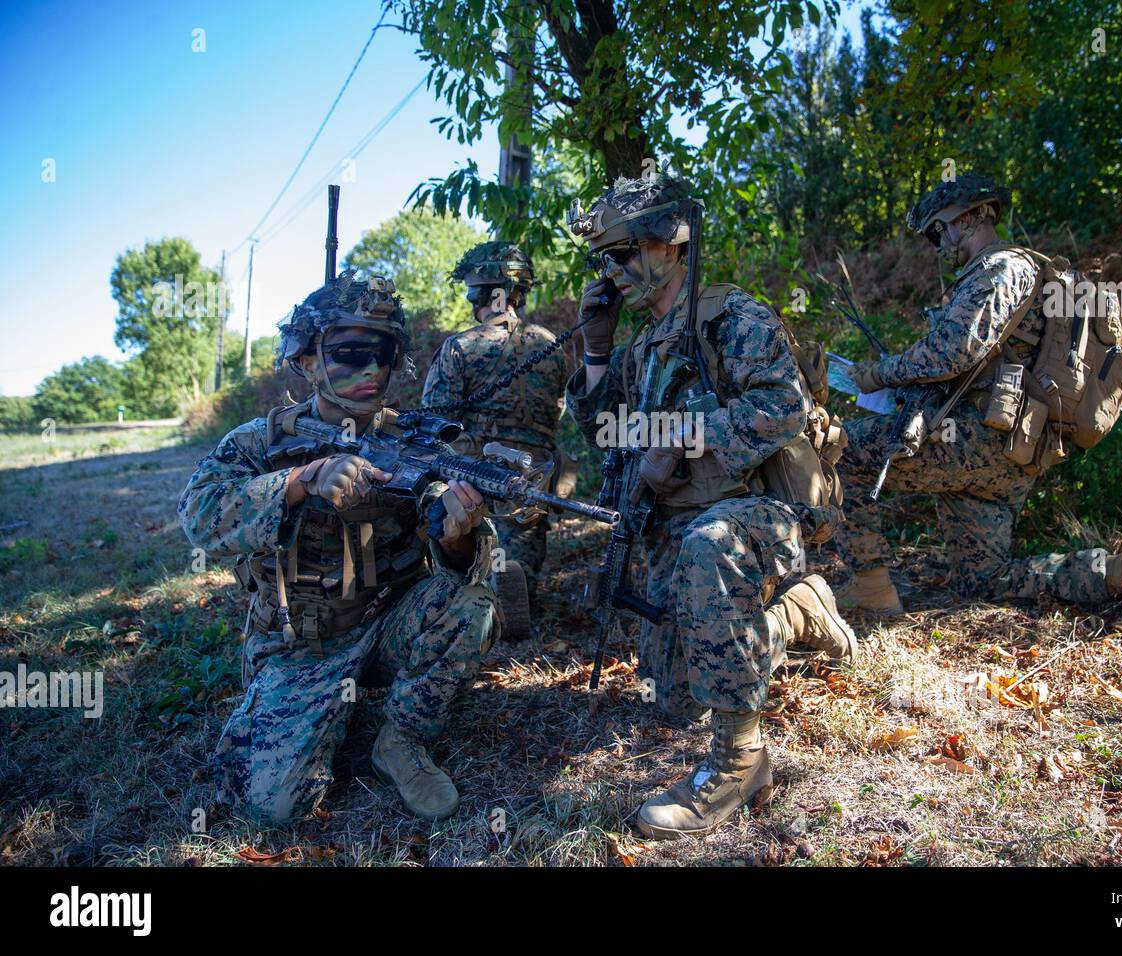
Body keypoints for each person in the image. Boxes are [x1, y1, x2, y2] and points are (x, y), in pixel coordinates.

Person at [565, 173, 858, 839]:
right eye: (603, 262)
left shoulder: (735, 318)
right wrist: (595, 346)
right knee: (678, 695)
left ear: (669, 244)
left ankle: (739, 762)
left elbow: (785, 409)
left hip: (754, 513)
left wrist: (684, 434)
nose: (610, 274)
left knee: (706, 551)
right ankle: (794, 614)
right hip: (678, 525)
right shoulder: (644, 345)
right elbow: (598, 431)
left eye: (620, 254)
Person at [178, 271, 497, 825]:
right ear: (305, 360)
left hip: (388, 621)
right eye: (349, 353)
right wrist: (301, 480)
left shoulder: (419, 441)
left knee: (469, 604)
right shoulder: (262, 442)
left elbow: (463, 562)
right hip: (303, 642)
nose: (370, 370)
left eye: (384, 353)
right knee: (273, 810)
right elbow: (200, 517)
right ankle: (311, 711)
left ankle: (401, 741)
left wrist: (459, 532)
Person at [837, 173, 1122, 630]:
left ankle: (871, 587)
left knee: (841, 450)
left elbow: (952, 351)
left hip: (980, 439)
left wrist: (877, 373)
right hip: (1011, 447)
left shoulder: (999, 268)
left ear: (970, 218)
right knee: (985, 581)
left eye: (938, 231)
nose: (937, 246)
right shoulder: (1021, 271)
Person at [422, 241, 567, 603]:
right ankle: (515, 584)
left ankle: (491, 593)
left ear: (479, 293)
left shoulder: (461, 347)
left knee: (476, 544)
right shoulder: (551, 344)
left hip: (477, 476)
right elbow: (559, 409)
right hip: (534, 474)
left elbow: (434, 422)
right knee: (522, 545)